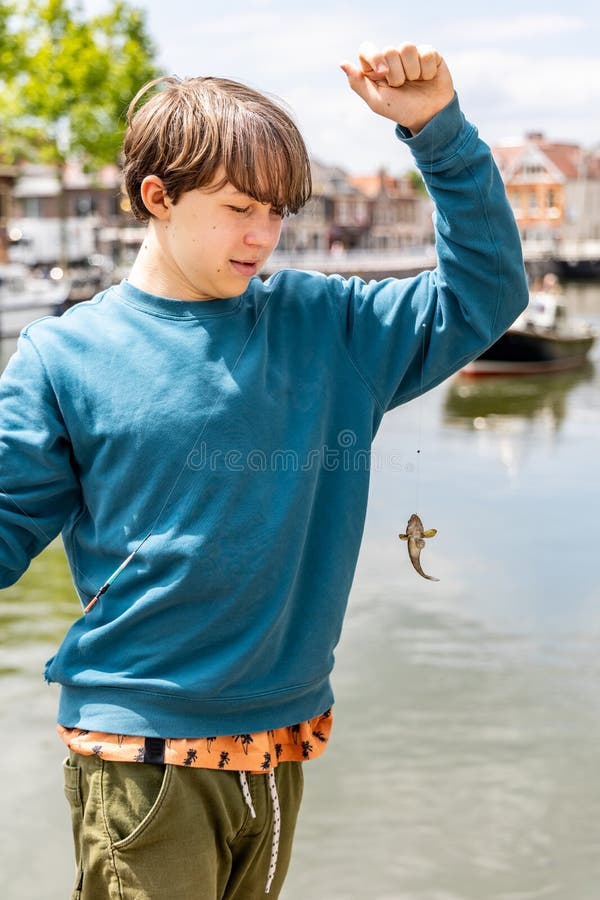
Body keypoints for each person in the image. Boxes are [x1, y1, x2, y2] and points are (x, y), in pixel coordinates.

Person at [0, 41, 528, 900]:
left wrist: (439, 132)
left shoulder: (331, 327)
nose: (263, 234)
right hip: (140, 761)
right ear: (157, 197)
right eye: (239, 207)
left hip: (281, 749)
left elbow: (487, 293)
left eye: (277, 211)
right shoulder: (62, 357)